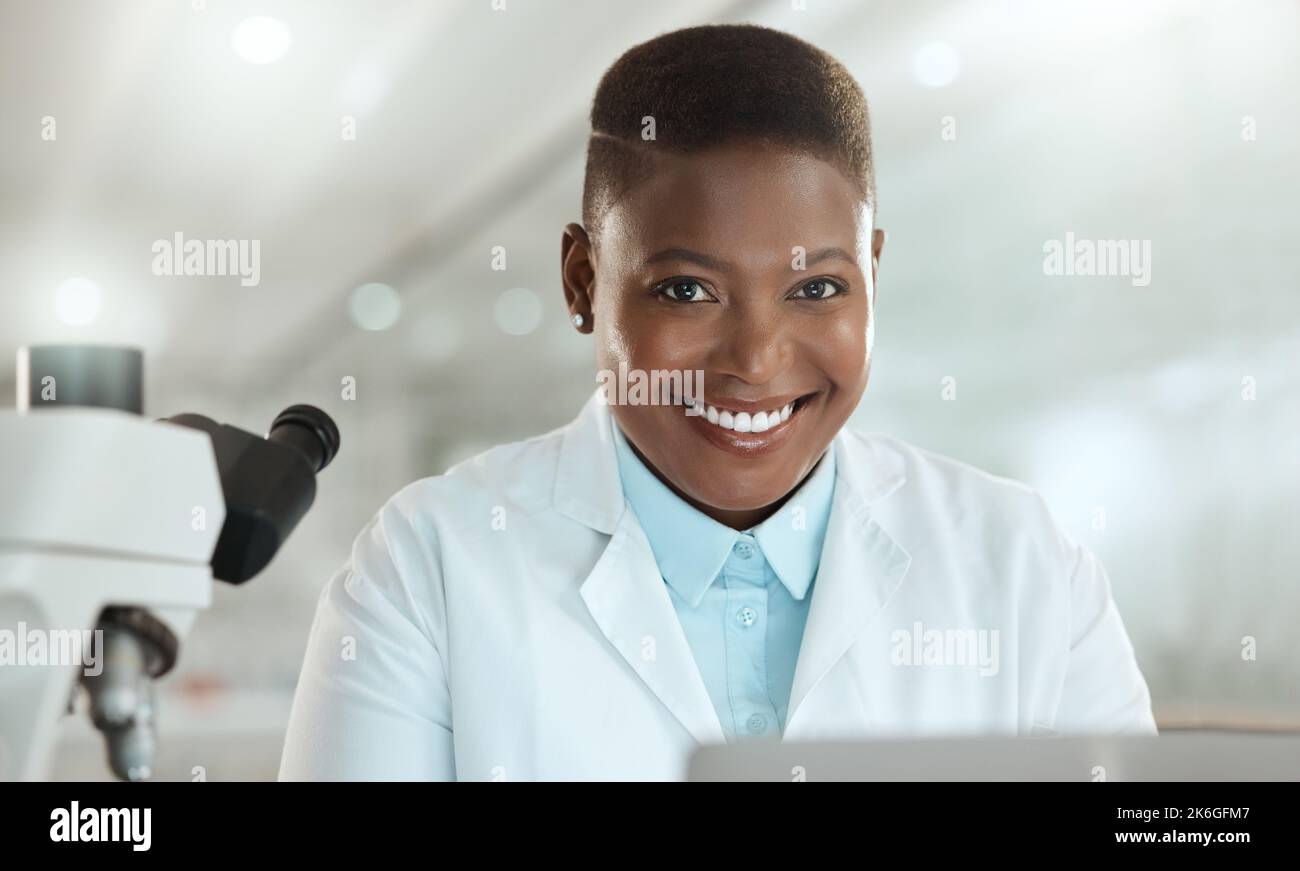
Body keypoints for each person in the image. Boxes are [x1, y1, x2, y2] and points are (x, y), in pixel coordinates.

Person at [279, 23, 1155, 782]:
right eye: (687, 291)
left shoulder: (1028, 570)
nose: (756, 360)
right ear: (584, 280)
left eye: (817, 289)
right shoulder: (429, 569)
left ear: (873, 278)